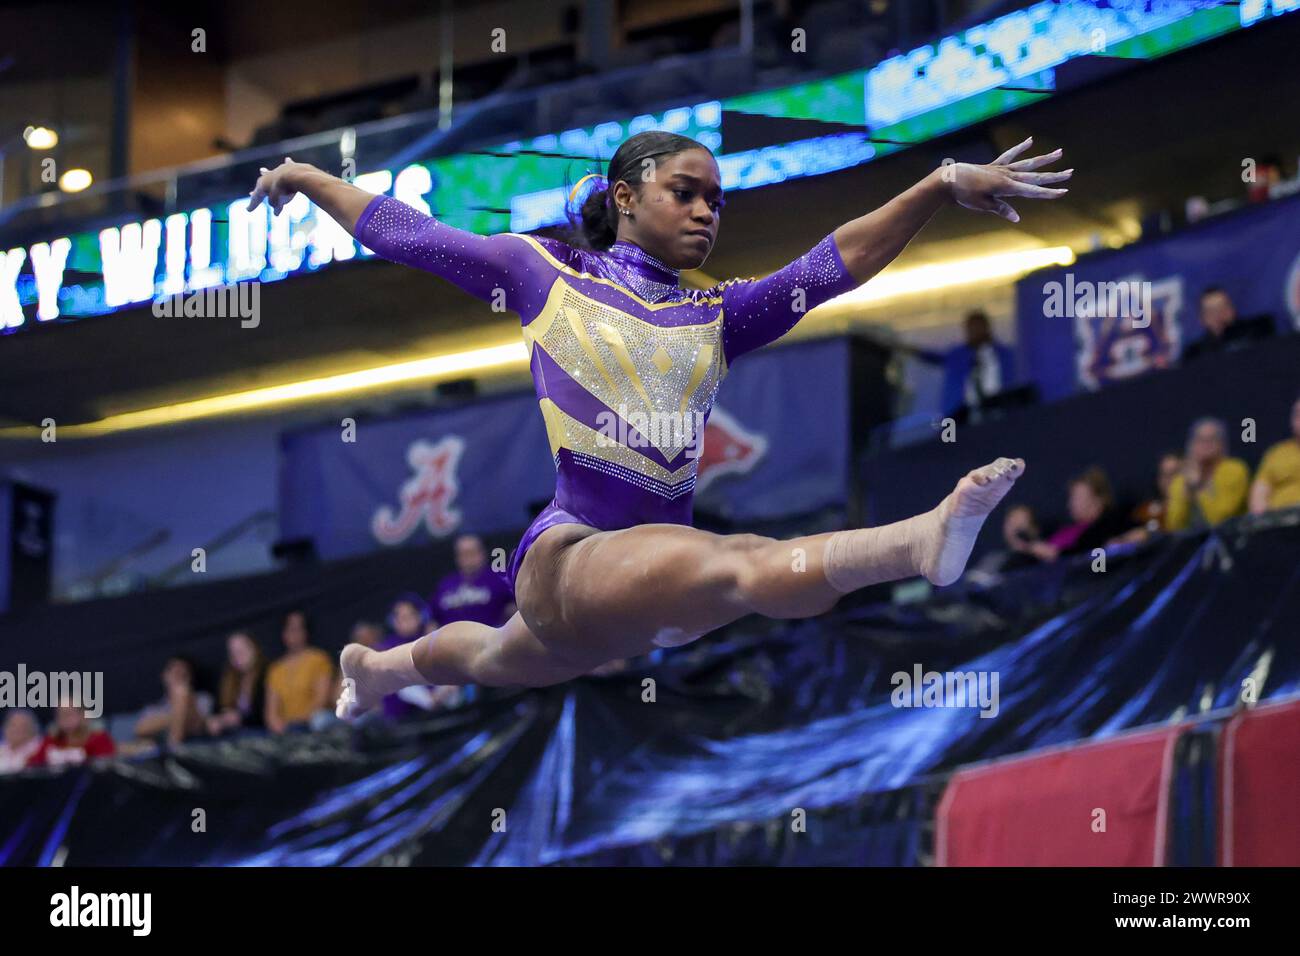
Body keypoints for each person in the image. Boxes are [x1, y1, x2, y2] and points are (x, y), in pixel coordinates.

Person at [245, 130, 1069, 711]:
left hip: (632, 597)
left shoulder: (720, 311)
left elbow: (835, 263)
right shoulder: (543, 273)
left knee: (499, 656)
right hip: (571, 562)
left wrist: (938, 184)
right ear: (626, 196)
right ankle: (915, 543)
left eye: (717, 198)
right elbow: (408, 233)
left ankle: (379, 669)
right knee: (742, 564)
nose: (708, 211)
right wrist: (311, 179)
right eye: (686, 192)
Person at [915, 310, 1017, 422]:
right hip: (965, 418)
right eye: (970, 329)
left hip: (1000, 415)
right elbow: (934, 357)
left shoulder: (1005, 354)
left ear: (986, 327)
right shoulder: (958, 355)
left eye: (977, 327)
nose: (974, 332)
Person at [1024, 467, 1127, 563]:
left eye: (1077, 498)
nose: (1071, 504)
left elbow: (1093, 560)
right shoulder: (1066, 530)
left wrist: (1056, 555)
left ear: (1098, 500)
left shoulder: (1109, 528)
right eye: (1072, 498)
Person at [1165, 418, 1250, 531]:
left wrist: (1199, 487)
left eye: (1211, 439)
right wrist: (1188, 491)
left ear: (1221, 444)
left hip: (1230, 539)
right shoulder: (1181, 480)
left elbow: (1220, 520)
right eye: (1200, 439)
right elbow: (1174, 526)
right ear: (1191, 445)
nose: (1205, 445)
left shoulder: (1235, 470)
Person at [264, 609, 335, 734]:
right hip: (285, 729)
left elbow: (321, 700)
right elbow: (271, 711)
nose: (294, 633)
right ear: (283, 633)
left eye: (298, 628)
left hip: (311, 724)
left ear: (306, 632)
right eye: (290, 629)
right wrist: (279, 727)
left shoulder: (319, 659)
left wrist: (297, 723)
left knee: (320, 720)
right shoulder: (276, 669)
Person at [430, 534, 516, 628]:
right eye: (463, 554)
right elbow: (433, 621)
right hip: (452, 639)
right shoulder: (446, 585)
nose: (467, 558)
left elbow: (514, 611)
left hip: (489, 636)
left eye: (471, 552)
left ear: (482, 553)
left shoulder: (499, 580)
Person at [132, 655, 211, 747]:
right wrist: (177, 715)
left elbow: (199, 725)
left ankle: (173, 747)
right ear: (164, 676)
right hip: (157, 748)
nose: (177, 676)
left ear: (190, 678)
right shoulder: (155, 707)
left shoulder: (202, 699)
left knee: (182, 693)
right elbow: (139, 729)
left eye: (183, 674)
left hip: (190, 745)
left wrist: (183, 699)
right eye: (174, 672)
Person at [1180, 287, 1275, 363]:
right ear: (1202, 319)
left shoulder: (1258, 331)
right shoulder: (1194, 354)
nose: (1219, 314)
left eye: (1223, 307)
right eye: (1211, 311)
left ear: (1232, 309)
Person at [1109, 451, 1183, 546]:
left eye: (1174, 474)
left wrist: (1150, 535)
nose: (1168, 480)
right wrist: (1123, 539)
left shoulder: (1194, 509)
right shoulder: (1146, 511)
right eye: (1164, 475)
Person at [207, 631, 268, 736]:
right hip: (233, 734)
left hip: (260, 732)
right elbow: (218, 709)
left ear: (254, 648)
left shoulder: (267, 674)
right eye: (233, 652)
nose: (238, 656)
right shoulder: (228, 679)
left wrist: (240, 718)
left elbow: (264, 713)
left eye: (242, 650)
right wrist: (218, 719)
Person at [1249, 395, 1300, 514]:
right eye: (1298, 415)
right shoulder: (1277, 453)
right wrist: (1261, 522)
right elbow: (1260, 492)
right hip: (1281, 524)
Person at [28, 704, 115, 769]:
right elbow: (32, 767)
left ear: (83, 715)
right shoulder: (51, 741)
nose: (64, 718)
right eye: (60, 714)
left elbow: (106, 769)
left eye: (69, 713)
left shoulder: (99, 739)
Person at [0, 709, 42, 773]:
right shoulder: (2, 749)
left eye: (23, 726)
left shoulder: (38, 749)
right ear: (5, 729)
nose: (17, 730)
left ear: (32, 729)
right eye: (13, 725)